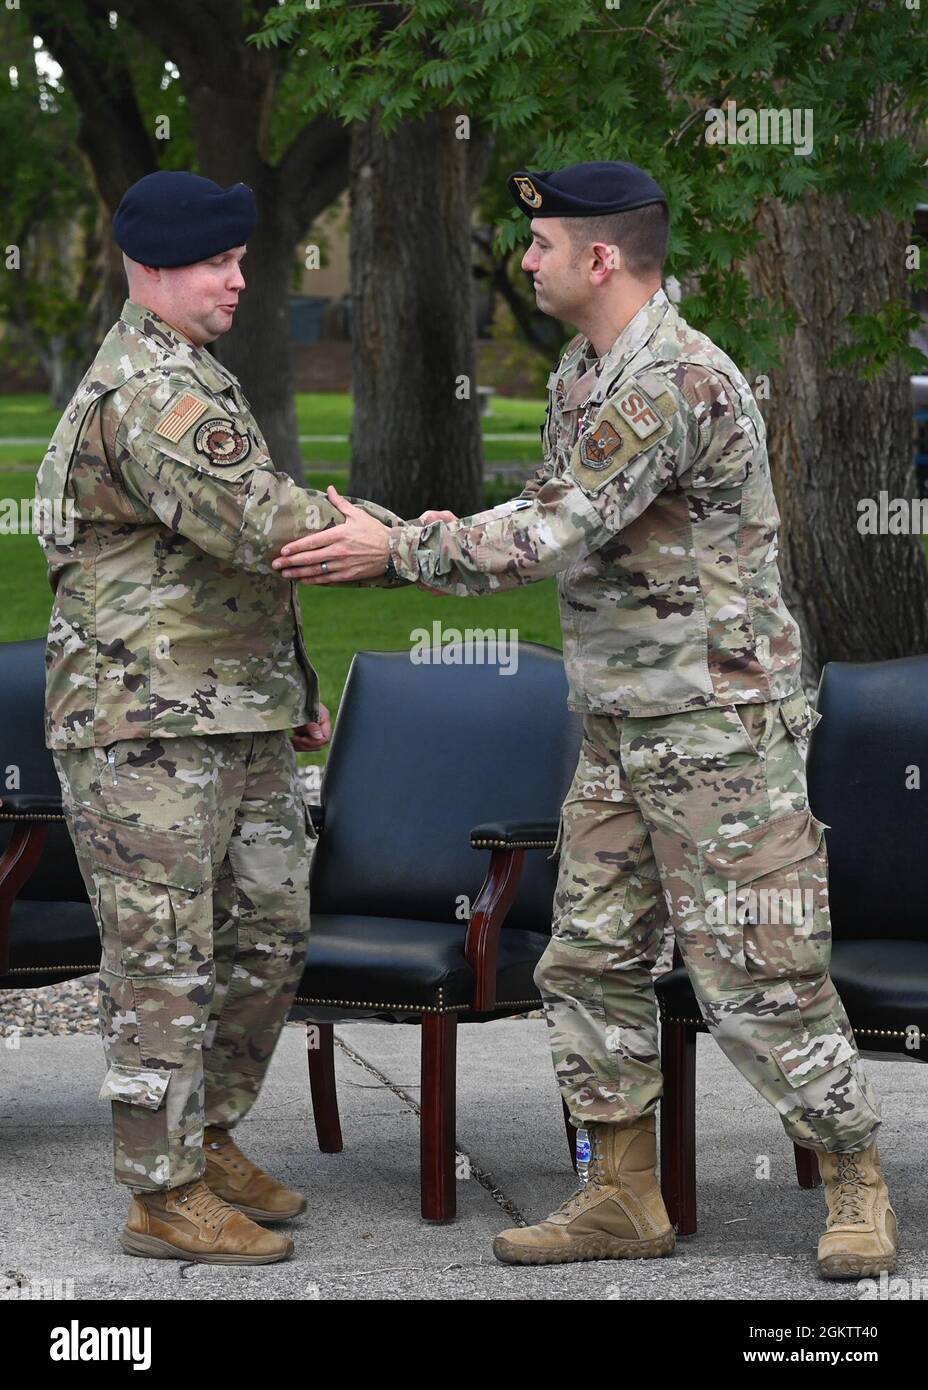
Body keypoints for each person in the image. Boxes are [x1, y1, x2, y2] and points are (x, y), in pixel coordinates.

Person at [275, 160, 897, 1280]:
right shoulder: (583, 371)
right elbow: (555, 519)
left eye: (541, 245)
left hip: (718, 726)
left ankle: (854, 1177)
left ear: (598, 258)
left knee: (759, 972)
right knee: (587, 960)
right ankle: (621, 1194)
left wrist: (394, 552)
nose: (525, 260)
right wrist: (407, 528)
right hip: (618, 721)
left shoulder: (672, 380)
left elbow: (547, 532)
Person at [35, 170, 404, 1265]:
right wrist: (412, 542)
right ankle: (160, 1192)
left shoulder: (193, 370)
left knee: (266, 932)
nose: (243, 277)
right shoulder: (152, 391)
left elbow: (222, 568)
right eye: (220, 261)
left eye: (241, 258)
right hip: (145, 727)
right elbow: (269, 529)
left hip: (224, 715)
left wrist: (284, 694)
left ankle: (207, 1135)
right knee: (164, 961)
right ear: (154, 268)